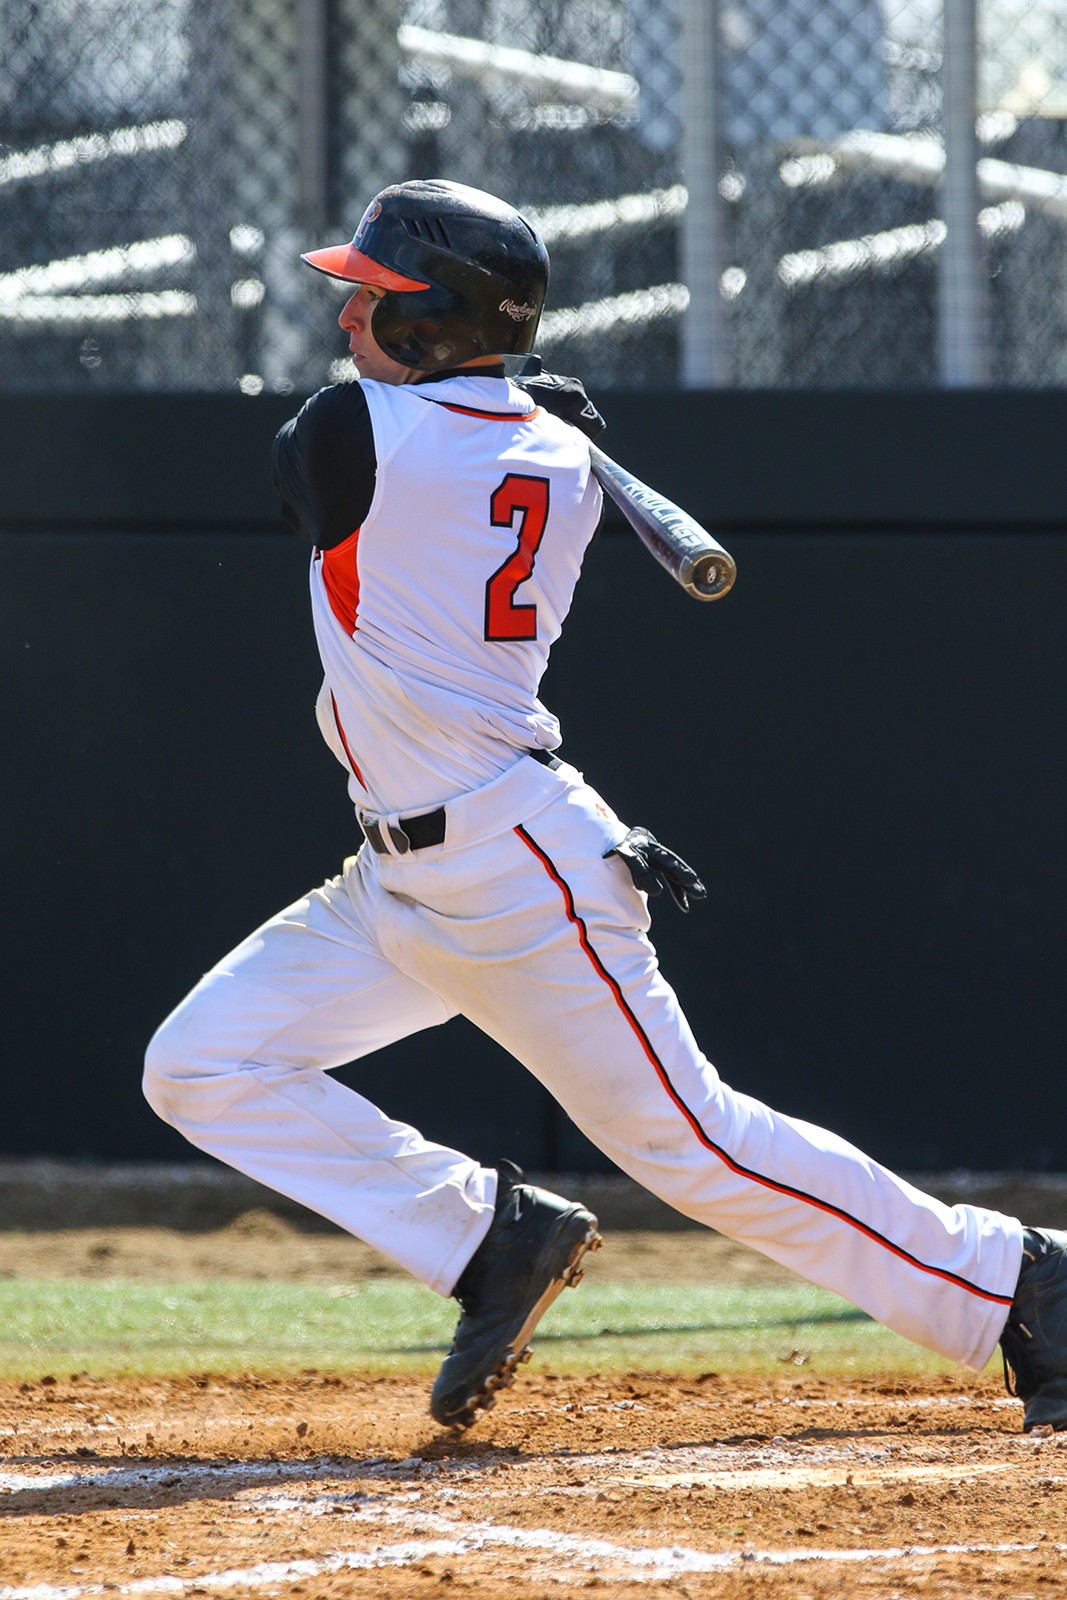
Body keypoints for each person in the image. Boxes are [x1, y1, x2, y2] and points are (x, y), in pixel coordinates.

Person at [144, 178, 1067, 1434]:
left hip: (516, 871)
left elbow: (317, 459)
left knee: (699, 1144)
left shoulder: (352, 439)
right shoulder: (559, 459)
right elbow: (465, 437)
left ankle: (1021, 1278)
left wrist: (491, 396)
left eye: (373, 295)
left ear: (433, 320)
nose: (347, 311)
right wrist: (508, 397)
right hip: (400, 882)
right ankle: (488, 1241)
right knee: (201, 1066)